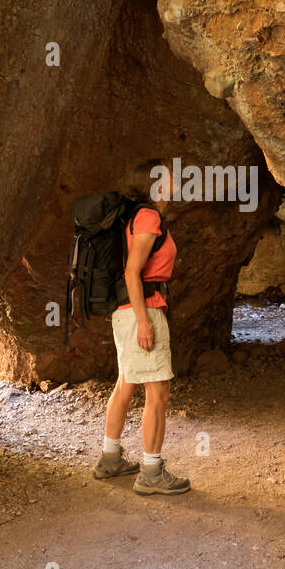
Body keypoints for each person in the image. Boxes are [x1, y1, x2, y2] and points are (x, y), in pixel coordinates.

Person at [92, 158, 190, 495]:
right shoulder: (148, 217)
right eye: (169, 177)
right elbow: (133, 272)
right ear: (154, 184)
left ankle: (110, 458)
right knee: (158, 393)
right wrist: (145, 321)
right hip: (142, 309)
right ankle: (151, 471)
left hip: (126, 311)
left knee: (126, 383)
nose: (175, 182)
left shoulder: (132, 217)